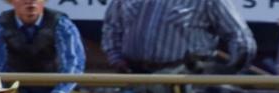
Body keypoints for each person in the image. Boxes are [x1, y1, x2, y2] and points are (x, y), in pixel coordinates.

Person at [0, 0, 85, 93]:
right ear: (11, 1)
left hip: (58, 87)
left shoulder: (62, 25)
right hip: (15, 90)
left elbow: (73, 63)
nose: (30, 1)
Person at [102, 0, 257, 74]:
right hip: (133, 74)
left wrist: (228, 73)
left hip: (184, 78)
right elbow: (112, 26)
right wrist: (115, 57)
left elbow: (241, 37)